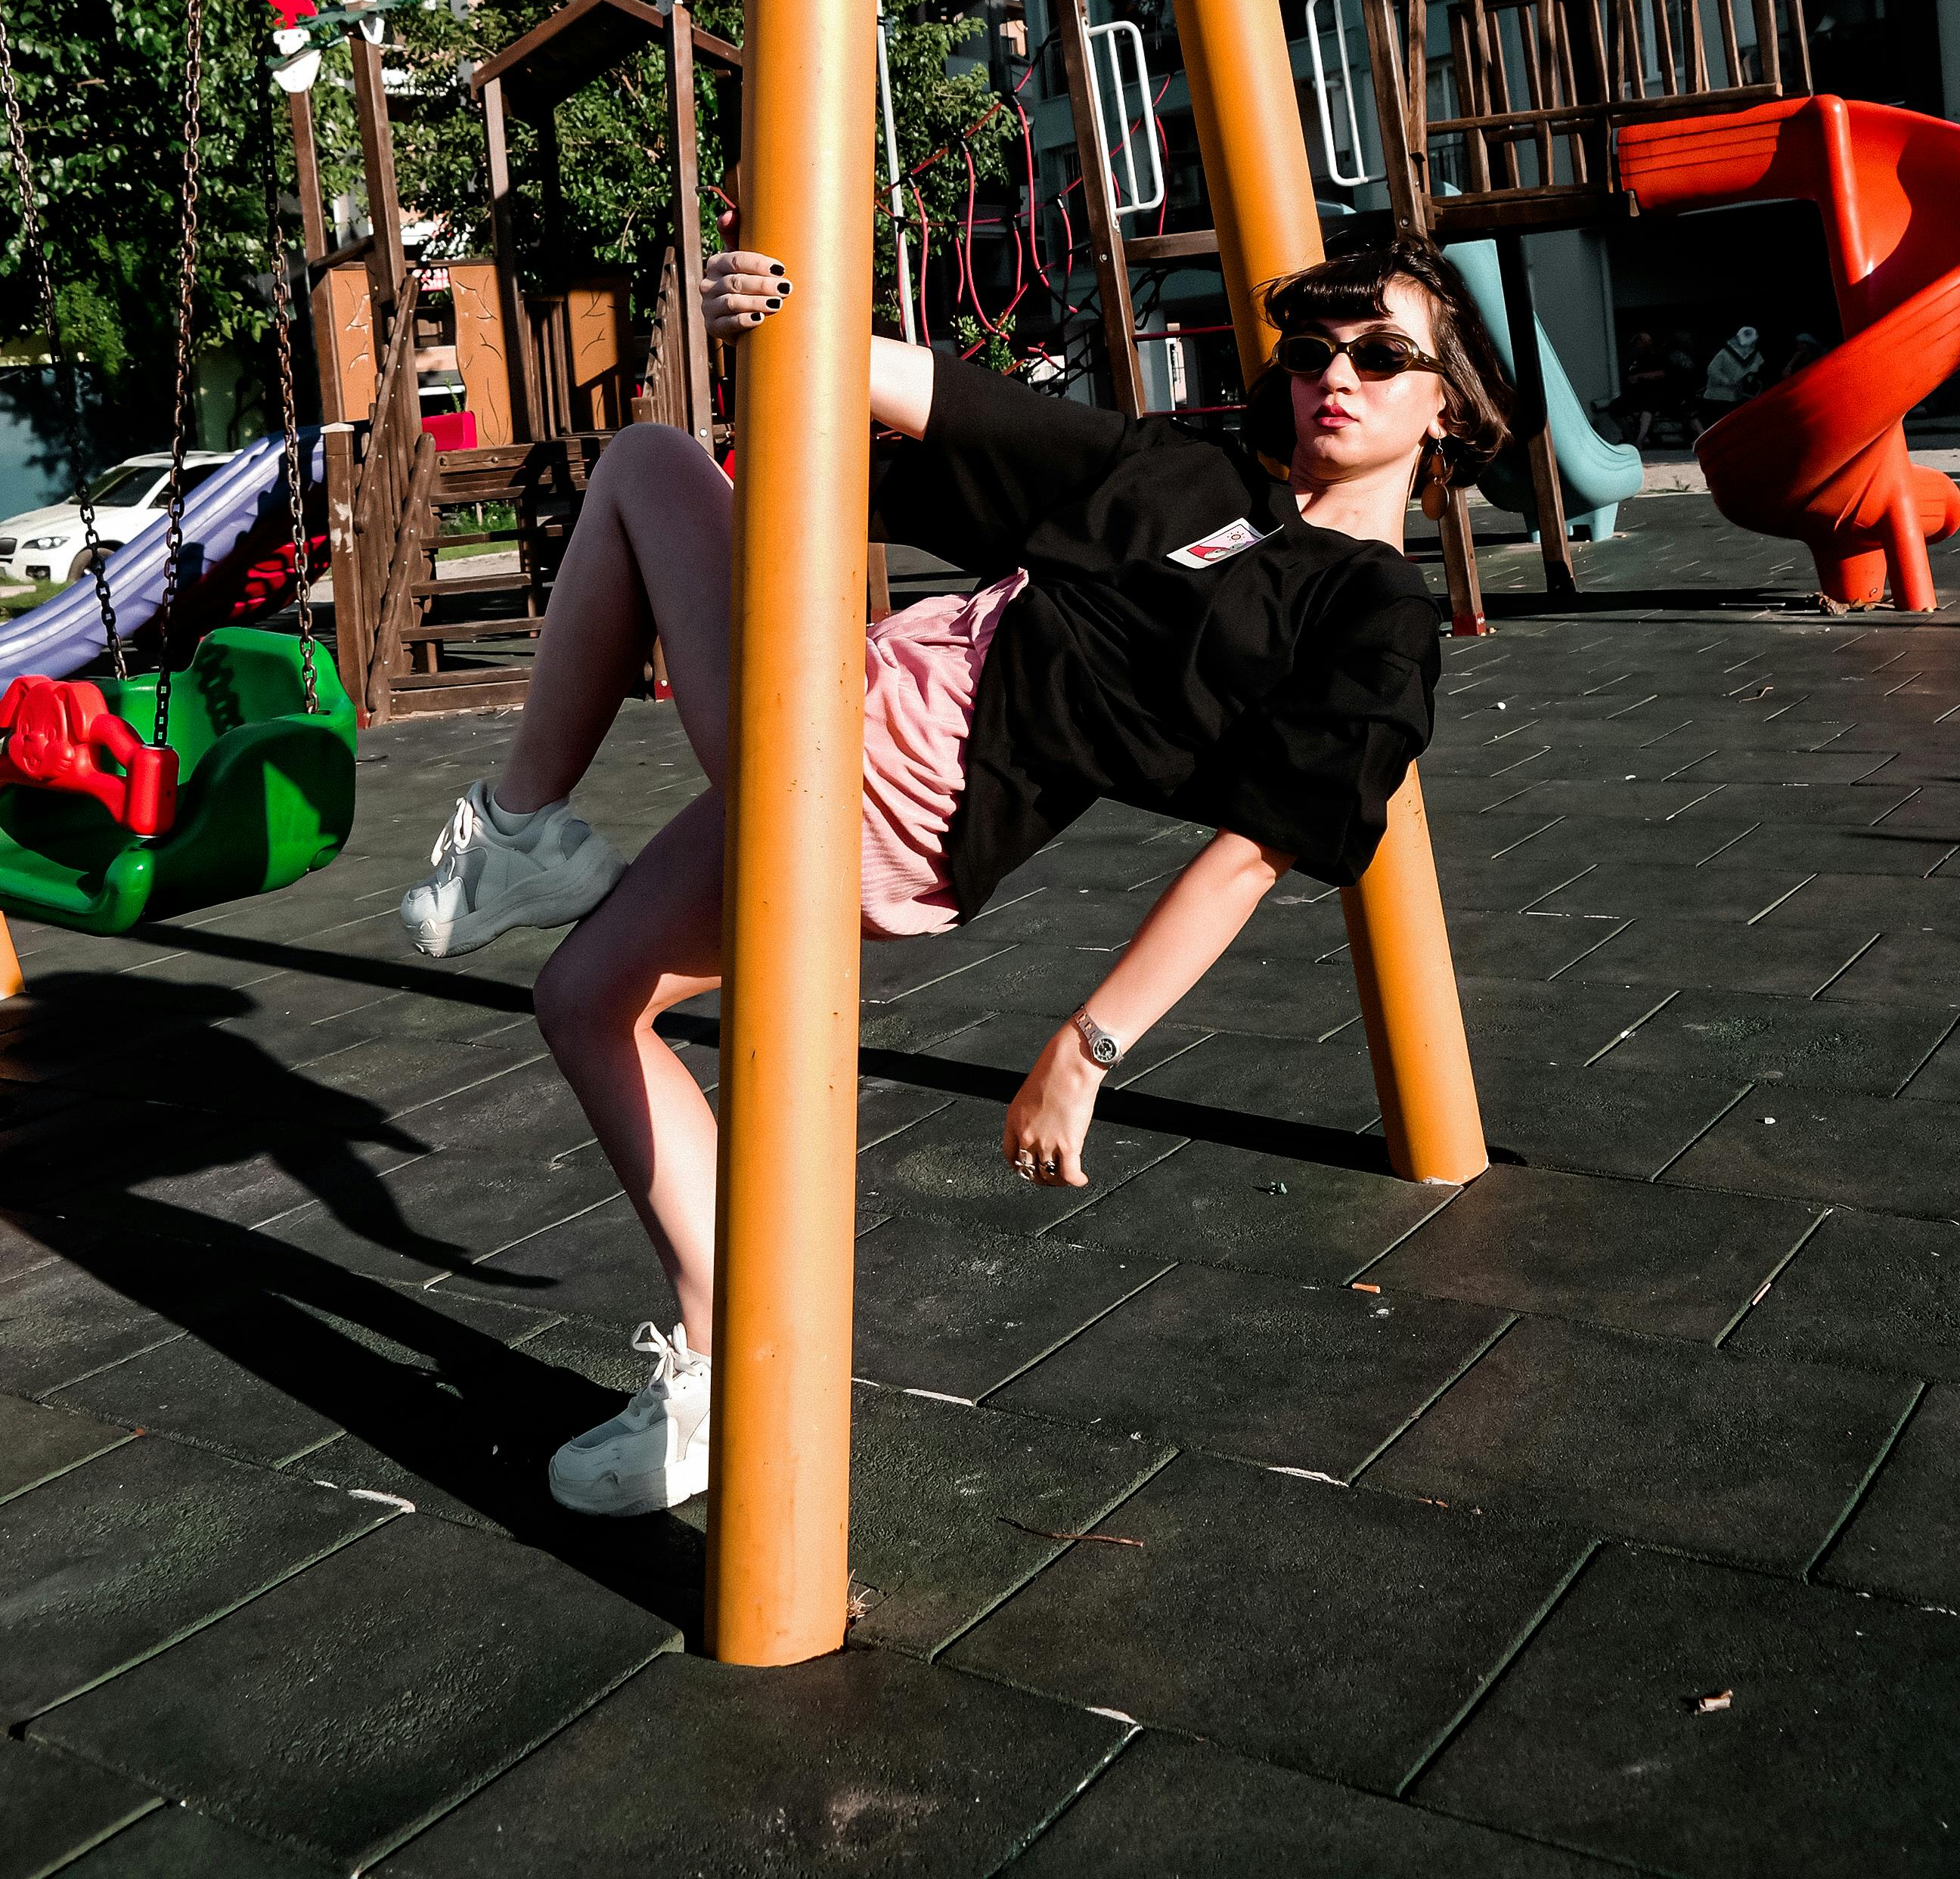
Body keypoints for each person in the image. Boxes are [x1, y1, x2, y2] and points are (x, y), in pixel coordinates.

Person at [398, 235, 1511, 1517]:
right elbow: (948, 398)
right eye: (1312, 351)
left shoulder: (1369, 611)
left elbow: (1257, 850)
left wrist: (1085, 1050)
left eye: (1383, 356)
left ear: (1447, 405)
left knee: (648, 463)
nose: (1337, 377)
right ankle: (715, 1368)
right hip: (861, 722)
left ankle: (521, 825)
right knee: (587, 996)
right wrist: (782, 305)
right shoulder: (1188, 478)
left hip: (884, 777)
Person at [1696, 322, 1763, 437]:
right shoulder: (1725, 353)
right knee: (1716, 425)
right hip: (1717, 397)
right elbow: (1712, 370)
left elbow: (1756, 372)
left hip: (1738, 398)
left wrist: (1749, 383)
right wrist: (1727, 382)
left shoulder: (1755, 356)